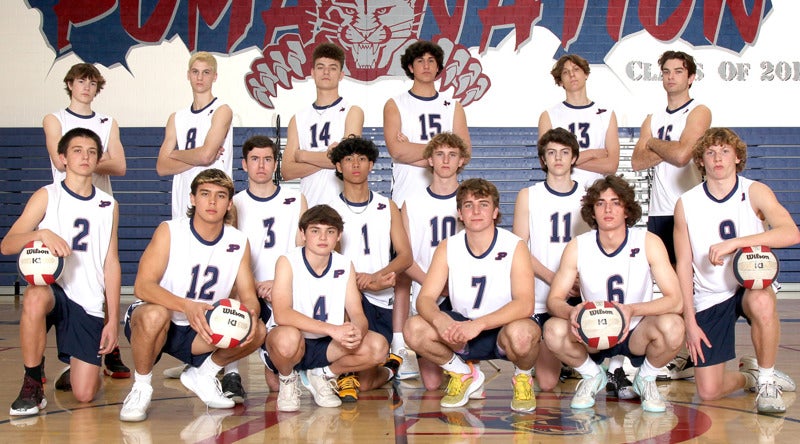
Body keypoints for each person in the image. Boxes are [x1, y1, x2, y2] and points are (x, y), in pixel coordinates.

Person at [119, 169, 266, 422]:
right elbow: (142, 286)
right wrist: (186, 306)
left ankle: (204, 374)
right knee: (155, 313)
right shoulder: (170, 231)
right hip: (160, 320)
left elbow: (248, 295)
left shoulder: (238, 241)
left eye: (220, 196)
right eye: (205, 194)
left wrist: (251, 313)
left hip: (203, 328)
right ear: (192, 198)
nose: (212, 202)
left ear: (229, 203)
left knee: (259, 330)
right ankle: (141, 386)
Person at [674, 128, 799, 413]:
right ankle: (750, 376)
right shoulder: (687, 204)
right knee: (708, 391)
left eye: (725, 151)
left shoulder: (754, 191)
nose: (718, 158)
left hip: (748, 284)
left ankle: (767, 381)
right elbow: (683, 264)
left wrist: (736, 244)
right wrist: (690, 322)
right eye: (710, 152)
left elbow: (791, 233)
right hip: (710, 294)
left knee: (762, 299)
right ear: (701, 161)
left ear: (737, 157)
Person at [2, 128, 121, 416]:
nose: (85, 156)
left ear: (98, 159)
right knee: (34, 296)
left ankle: (75, 368)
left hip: (88, 300)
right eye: (77, 150)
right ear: (62, 158)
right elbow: (7, 245)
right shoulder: (47, 196)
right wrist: (41, 234)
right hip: (54, 289)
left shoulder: (108, 205)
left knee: (84, 395)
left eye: (92, 151)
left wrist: (113, 319)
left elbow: (112, 263)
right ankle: (32, 382)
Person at [544, 175, 685, 413]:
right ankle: (592, 376)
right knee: (553, 330)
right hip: (592, 331)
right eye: (600, 203)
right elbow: (554, 300)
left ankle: (647, 379)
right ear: (592, 210)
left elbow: (676, 300)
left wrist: (632, 310)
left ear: (627, 209)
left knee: (673, 326)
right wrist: (573, 311)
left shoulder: (648, 241)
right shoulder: (578, 246)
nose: (608, 209)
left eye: (616, 202)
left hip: (637, 330)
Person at [404, 178, 540, 412]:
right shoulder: (448, 246)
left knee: (523, 335)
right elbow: (425, 298)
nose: (476, 211)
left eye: (483, 204)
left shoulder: (514, 245)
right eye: (468, 205)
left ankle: (523, 377)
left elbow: (525, 304)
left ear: (496, 211)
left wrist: (479, 324)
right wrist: (440, 319)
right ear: (459, 213)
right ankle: (463, 373)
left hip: (503, 328)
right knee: (413, 328)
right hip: (462, 329)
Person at [42, 63, 129, 383]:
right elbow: (57, 158)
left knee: (102, 276)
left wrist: (84, 159)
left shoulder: (108, 122)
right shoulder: (55, 119)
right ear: (70, 84)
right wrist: (96, 157)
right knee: (61, 282)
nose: (86, 87)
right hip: (64, 208)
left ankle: (111, 346)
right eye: (81, 81)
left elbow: (119, 164)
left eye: (93, 83)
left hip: (100, 204)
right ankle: (68, 356)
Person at [631, 50, 712, 381]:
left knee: (693, 284)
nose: (671, 77)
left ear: (690, 77)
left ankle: (697, 352)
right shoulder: (652, 117)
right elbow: (637, 162)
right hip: (659, 213)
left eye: (678, 71)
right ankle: (674, 350)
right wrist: (664, 146)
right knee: (667, 287)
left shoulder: (699, 111)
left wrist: (654, 144)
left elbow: (681, 156)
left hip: (693, 212)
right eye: (666, 71)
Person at [265, 205, 390, 412]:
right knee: (287, 339)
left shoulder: (344, 264)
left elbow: (357, 312)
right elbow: (282, 313)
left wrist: (356, 330)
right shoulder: (288, 261)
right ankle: (288, 380)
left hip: (327, 344)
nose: (323, 237)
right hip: (293, 340)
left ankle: (323, 375)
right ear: (303, 234)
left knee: (378, 347)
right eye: (315, 230)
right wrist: (332, 329)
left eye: (330, 231)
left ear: (339, 236)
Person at [327, 136, 413, 401]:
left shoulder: (386, 205)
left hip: (380, 296)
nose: (356, 164)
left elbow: (406, 256)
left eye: (362, 159)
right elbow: (323, 259)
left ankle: (389, 368)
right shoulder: (330, 208)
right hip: (346, 298)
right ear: (339, 167)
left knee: (364, 383)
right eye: (349, 159)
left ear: (371, 164)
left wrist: (376, 277)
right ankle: (339, 373)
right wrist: (353, 282)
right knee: (342, 303)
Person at [512, 128, 591, 394]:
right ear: (543, 159)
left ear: (574, 158)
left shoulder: (590, 195)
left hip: (579, 291)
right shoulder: (529, 195)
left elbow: (599, 247)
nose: (558, 158)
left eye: (565, 152)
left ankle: (605, 368)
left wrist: (584, 280)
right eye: (551, 153)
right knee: (546, 383)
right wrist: (553, 277)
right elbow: (518, 249)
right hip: (541, 289)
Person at [234, 135, 306, 396]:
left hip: (286, 289)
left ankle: (287, 360)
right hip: (247, 290)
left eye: (267, 159)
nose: (261, 165)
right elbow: (227, 255)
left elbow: (304, 251)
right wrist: (251, 285)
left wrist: (280, 284)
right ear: (244, 164)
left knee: (275, 384)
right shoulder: (234, 204)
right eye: (254, 159)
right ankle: (230, 374)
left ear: (275, 164)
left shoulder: (296, 200)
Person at [401, 132, 469, 387]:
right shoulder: (412, 202)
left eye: (452, 155)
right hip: (426, 290)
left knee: (465, 341)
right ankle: (460, 369)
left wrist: (452, 286)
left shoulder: (470, 200)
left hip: (462, 291)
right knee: (430, 384)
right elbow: (405, 258)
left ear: (461, 161)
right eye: (439, 154)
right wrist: (433, 285)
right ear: (429, 160)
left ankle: (468, 370)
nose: (445, 160)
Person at [383, 40, 471, 209]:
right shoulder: (395, 104)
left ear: (438, 67)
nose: (426, 65)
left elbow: (464, 154)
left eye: (431, 60)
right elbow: (396, 151)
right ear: (410, 67)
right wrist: (445, 160)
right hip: (406, 196)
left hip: (446, 199)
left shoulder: (454, 106)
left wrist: (411, 150)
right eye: (420, 61)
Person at [281, 42, 364, 207]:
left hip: (343, 206)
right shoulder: (298, 118)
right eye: (320, 67)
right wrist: (329, 158)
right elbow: (287, 171)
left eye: (332, 68)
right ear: (312, 72)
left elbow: (346, 161)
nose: (326, 72)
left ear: (341, 75)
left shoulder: (352, 112)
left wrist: (303, 155)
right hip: (309, 206)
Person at [156, 52, 233, 220]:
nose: (200, 77)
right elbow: (162, 167)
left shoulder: (222, 110)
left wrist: (175, 154)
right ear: (188, 75)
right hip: (184, 196)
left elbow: (206, 156)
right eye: (195, 71)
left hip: (213, 198)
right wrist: (199, 156)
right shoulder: (176, 117)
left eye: (206, 72)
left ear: (215, 76)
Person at [538, 54, 619, 189]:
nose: (572, 75)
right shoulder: (549, 116)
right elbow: (545, 162)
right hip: (561, 191)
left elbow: (611, 166)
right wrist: (591, 154)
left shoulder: (606, 114)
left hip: (596, 194)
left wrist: (565, 162)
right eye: (565, 72)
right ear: (560, 81)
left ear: (586, 74)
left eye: (576, 69)